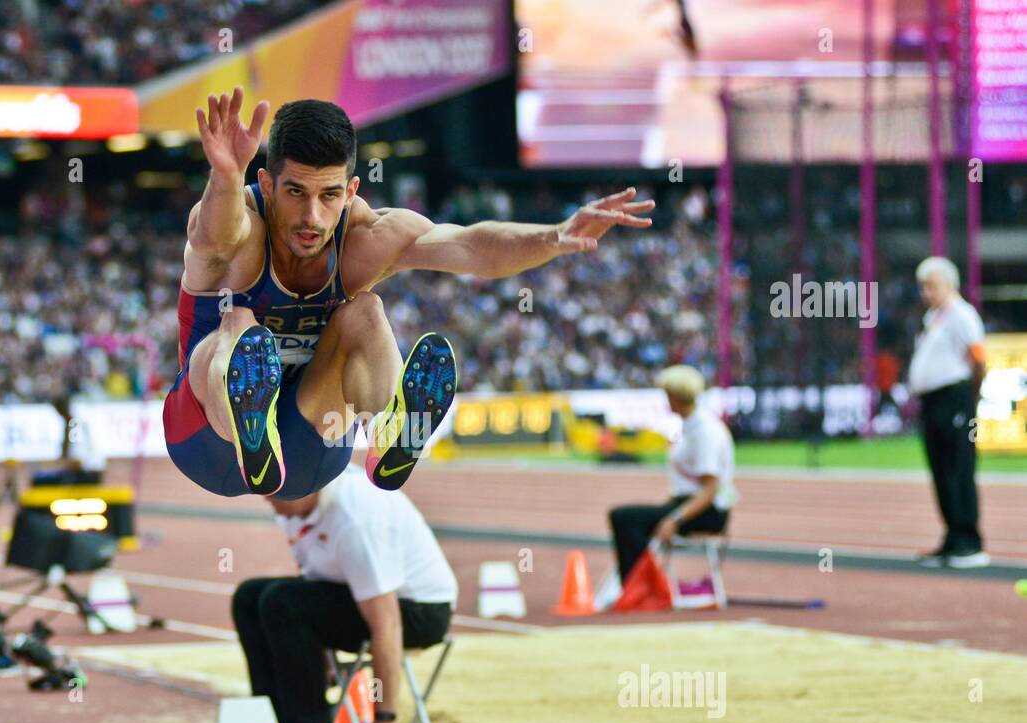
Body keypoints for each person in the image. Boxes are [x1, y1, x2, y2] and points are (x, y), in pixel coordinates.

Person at [163, 87, 654, 499]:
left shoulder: (368, 239)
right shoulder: (237, 233)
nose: (312, 217)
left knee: (366, 310)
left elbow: (471, 247)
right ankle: (250, 425)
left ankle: (390, 434)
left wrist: (550, 237)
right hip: (208, 443)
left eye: (330, 195)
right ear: (265, 184)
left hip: (312, 448)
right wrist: (226, 176)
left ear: (352, 189)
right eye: (296, 193)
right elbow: (214, 232)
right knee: (238, 323)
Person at [231, 464, 458, 723]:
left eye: (271, 494)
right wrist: (311, 649)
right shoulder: (293, 508)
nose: (267, 501)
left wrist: (386, 719)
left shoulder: (356, 518)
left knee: (282, 603)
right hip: (353, 593)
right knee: (249, 597)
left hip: (420, 611)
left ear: (302, 487)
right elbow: (311, 580)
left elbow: (388, 624)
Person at [608, 365, 736, 582]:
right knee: (628, 517)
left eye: (667, 395)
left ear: (677, 397)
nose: (665, 401)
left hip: (706, 512)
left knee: (625, 518)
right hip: (687, 503)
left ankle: (640, 587)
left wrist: (674, 519)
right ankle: (638, 584)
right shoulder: (689, 426)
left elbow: (709, 490)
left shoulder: (705, 432)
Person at [907, 256, 989, 568]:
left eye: (931, 285)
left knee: (958, 469)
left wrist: (971, 396)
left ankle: (970, 542)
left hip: (955, 398)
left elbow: (978, 358)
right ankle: (952, 538)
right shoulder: (934, 317)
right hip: (934, 402)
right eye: (923, 286)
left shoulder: (962, 315)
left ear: (950, 284)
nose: (926, 292)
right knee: (941, 471)